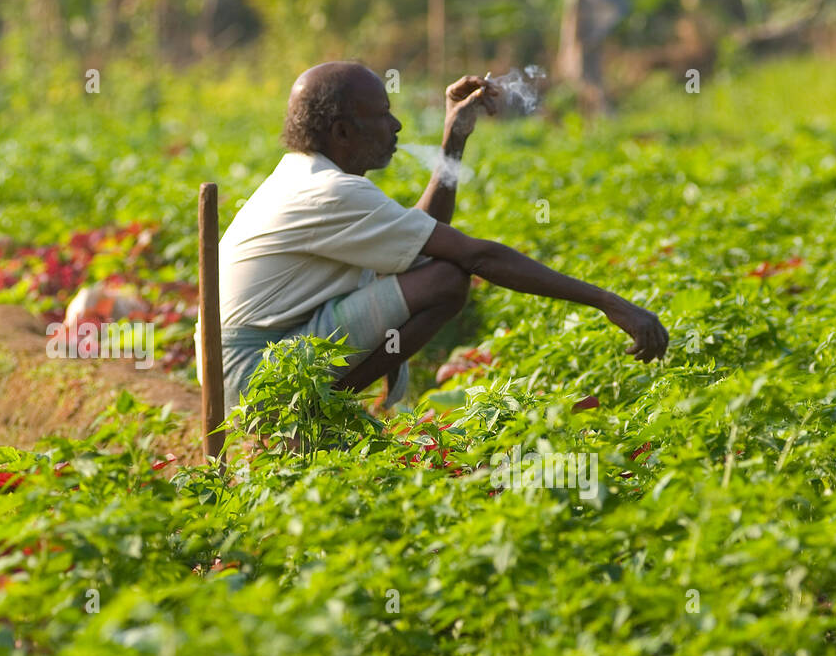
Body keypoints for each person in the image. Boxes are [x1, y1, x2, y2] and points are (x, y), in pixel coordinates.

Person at [211, 61, 668, 412]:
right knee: (447, 280)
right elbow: (474, 256)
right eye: (383, 116)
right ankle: (317, 411)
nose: (396, 127)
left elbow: (422, 238)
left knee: (436, 270)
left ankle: (321, 407)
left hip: (250, 364)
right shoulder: (329, 191)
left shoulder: (307, 175)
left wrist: (453, 139)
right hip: (256, 376)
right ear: (343, 132)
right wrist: (611, 302)